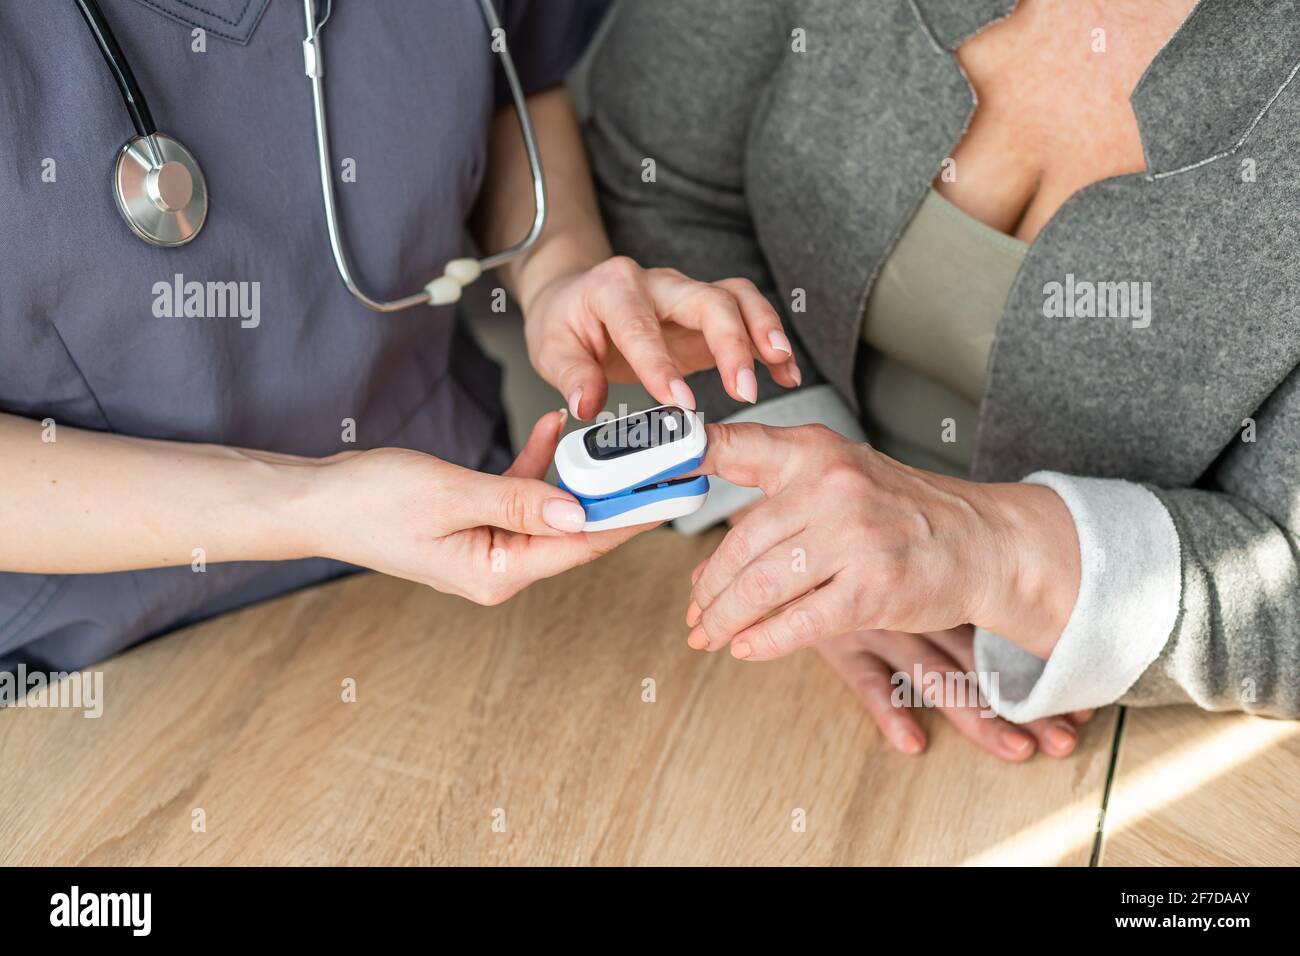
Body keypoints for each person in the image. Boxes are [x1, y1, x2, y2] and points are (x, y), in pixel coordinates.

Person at [583, 0, 1300, 760]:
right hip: (695, 545)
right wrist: (793, 506)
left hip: (1112, 705)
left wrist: (990, 555)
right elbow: (656, 188)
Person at [0, 0, 799, 673]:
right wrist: (311, 505)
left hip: (470, 567)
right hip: (97, 662)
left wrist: (558, 270)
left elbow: (510, 75)